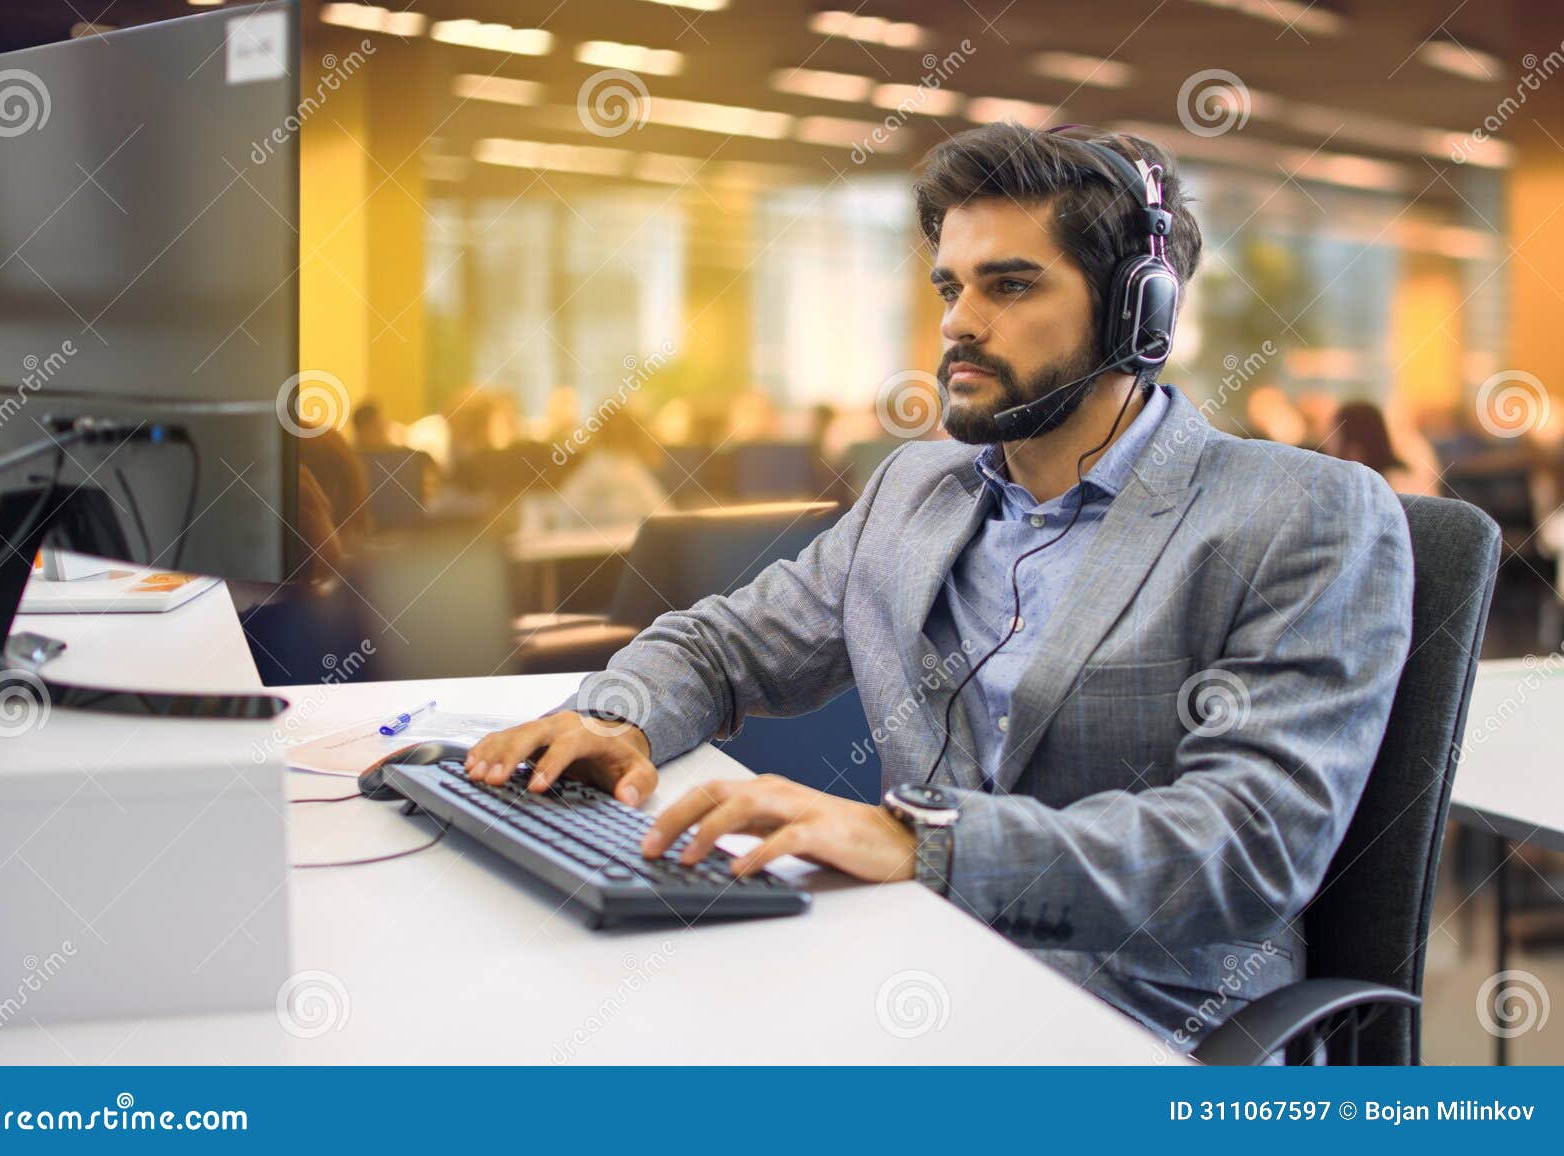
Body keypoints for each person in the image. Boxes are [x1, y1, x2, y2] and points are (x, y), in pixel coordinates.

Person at [463, 124, 1414, 1047]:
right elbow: (729, 645)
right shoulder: (916, 490)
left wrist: (923, 843)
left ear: (1140, 312)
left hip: (1132, 1020)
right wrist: (617, 718)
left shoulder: (1303, 514)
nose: (959, 321)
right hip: (901, 968)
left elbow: (1246, 847)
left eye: (1009, 285)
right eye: (950, 286)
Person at [1327, 400, 1440, 495]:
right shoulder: (1359, 481)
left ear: (1353, 441)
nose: (1328, 440)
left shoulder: (1395, 484)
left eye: (1334, 433)